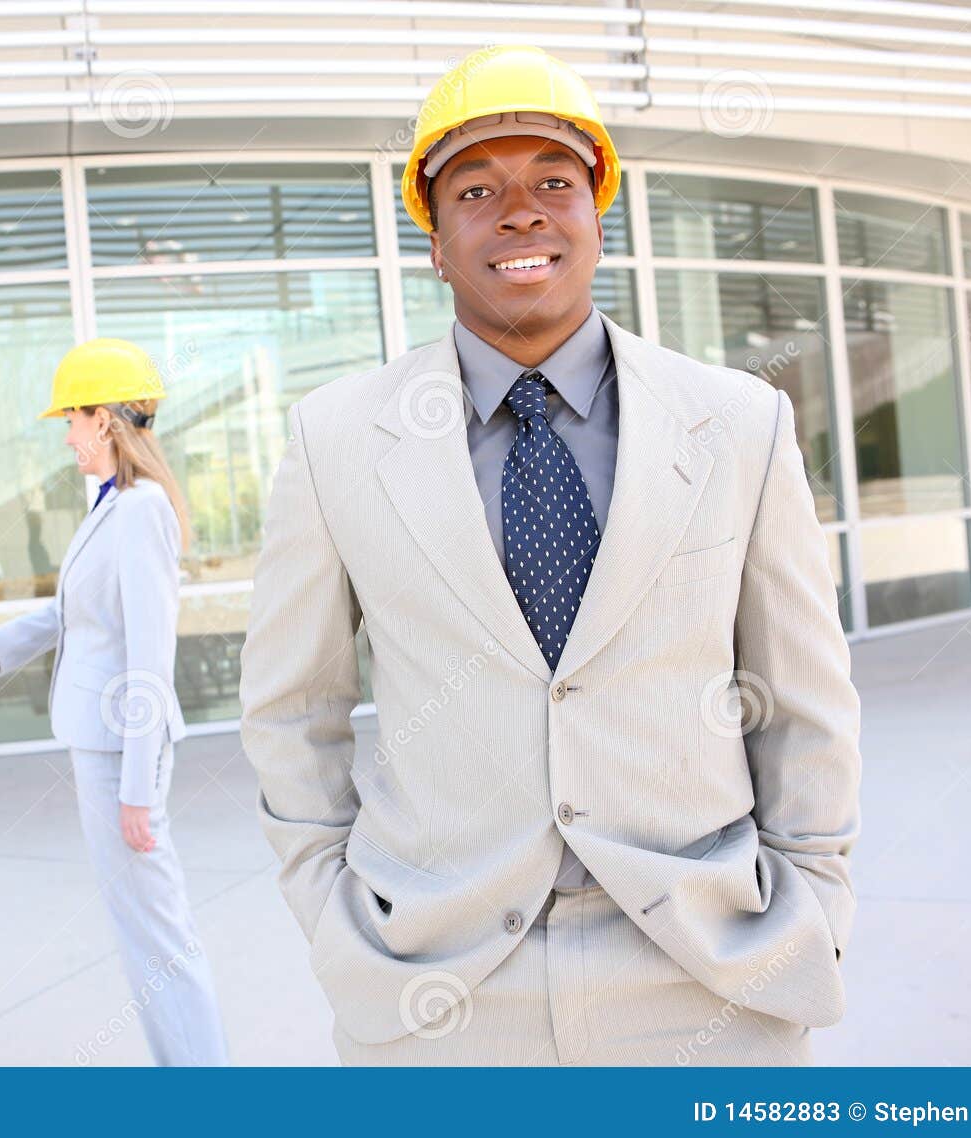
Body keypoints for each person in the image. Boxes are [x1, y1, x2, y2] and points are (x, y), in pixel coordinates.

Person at [239, 45, 862, 1065]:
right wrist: (335, 918)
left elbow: (803, 699)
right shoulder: (335, 438)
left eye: (552, 183)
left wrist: (813, 903)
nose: (520, 211)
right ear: (435, 243)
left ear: (595, 219)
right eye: (477, 188)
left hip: (705, 974)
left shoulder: (737, 422)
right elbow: (288, 711)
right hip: (436, 988)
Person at [0, 339, 228, 1066]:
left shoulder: (139, 510)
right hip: (99, 749)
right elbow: (78, 617)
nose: (65, 436)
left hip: (118, 756)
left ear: (103, 420)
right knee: (142, 932)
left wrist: (137, 788)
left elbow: (150, 656)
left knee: (158, 935)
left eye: (70, 419)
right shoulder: (113, 505)